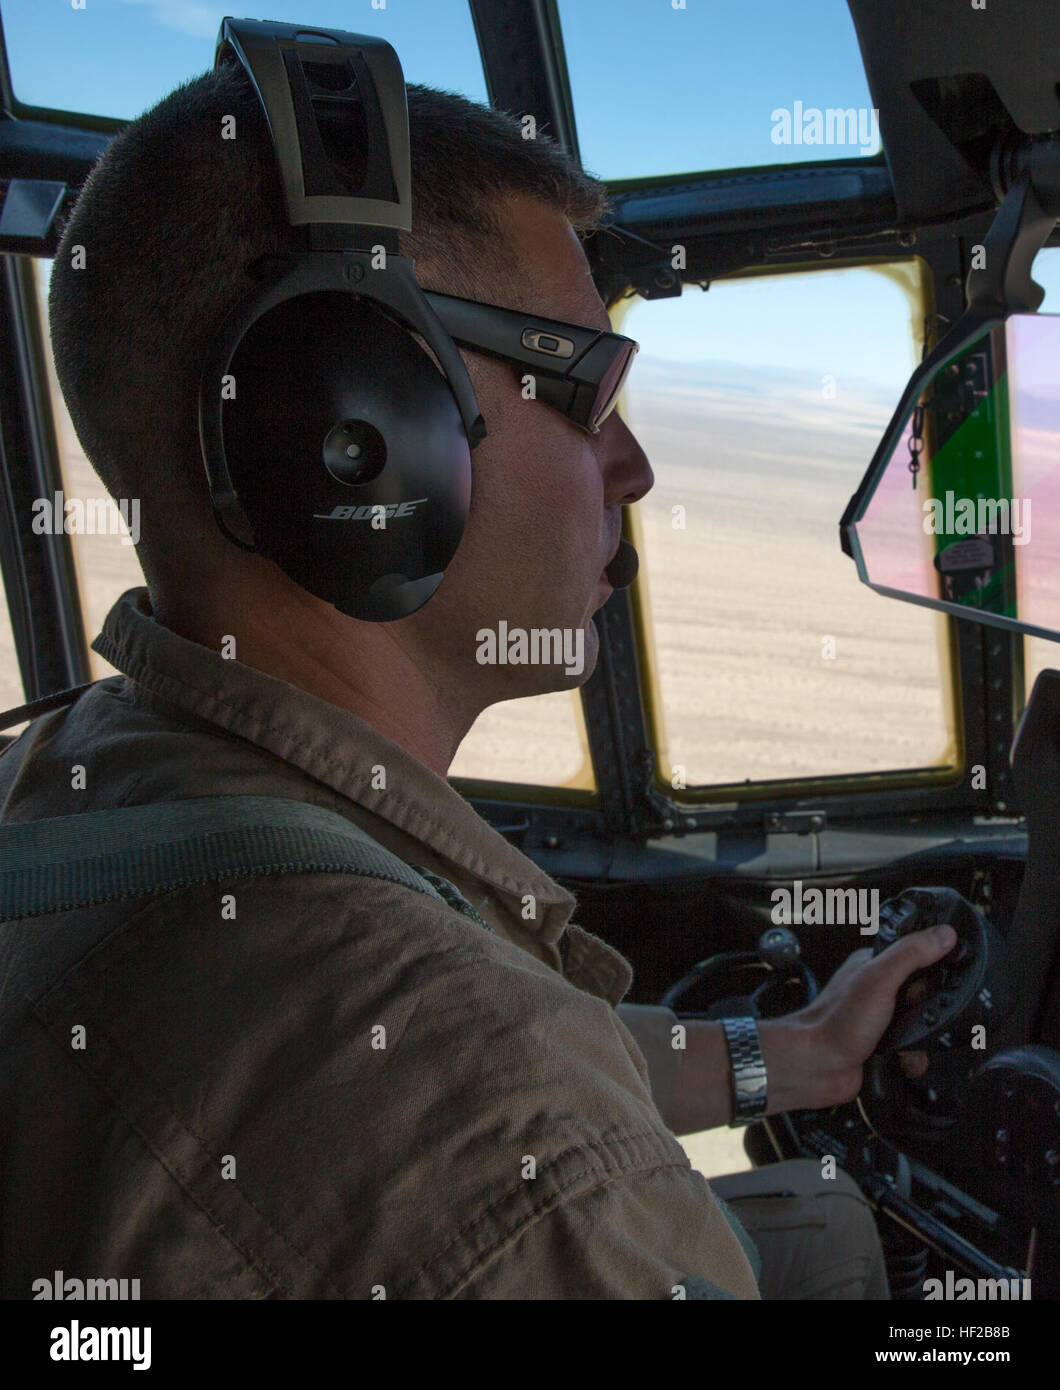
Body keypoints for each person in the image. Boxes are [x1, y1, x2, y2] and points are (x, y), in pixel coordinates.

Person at [0, 61, 955, 1300]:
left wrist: (793, 1057)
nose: (634, 467)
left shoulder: (75, 776)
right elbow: (477, 1090)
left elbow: (472, 1050)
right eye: (589, 388)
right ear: (355, 437)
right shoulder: (524, 1164)